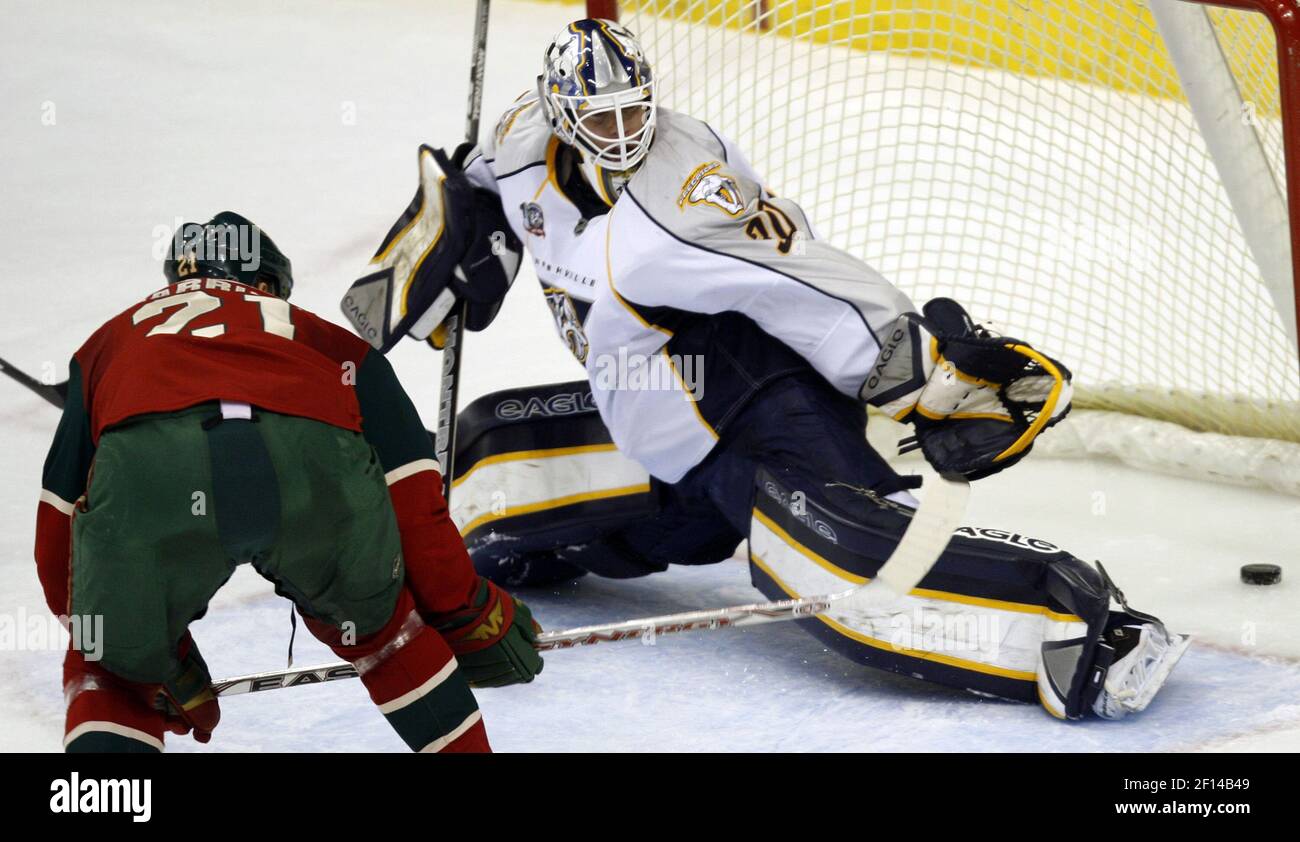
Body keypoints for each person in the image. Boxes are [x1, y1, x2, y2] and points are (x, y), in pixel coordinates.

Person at [345, 18, 1187, 721]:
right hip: (651, 410)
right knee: (488, 455)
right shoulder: (524, 135)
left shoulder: (679, 205)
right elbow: (477, 184)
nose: (622, 131)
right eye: (600, 118)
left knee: (852, 569)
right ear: (562, 115)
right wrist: (455, 233)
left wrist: (915, 373)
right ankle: (544, 540)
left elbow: (800, 279)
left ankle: (1079, 631)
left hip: (748, 400)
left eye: (634, 109)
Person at [35, 212, 542, 753]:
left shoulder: (108, 343)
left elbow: (56, 541)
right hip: (312, 465)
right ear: (269, 286)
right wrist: (468, 613)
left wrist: (142, 650)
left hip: (155, 467)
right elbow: (415, 502)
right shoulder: (328, 342)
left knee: (110, 670)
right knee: (392, 639)